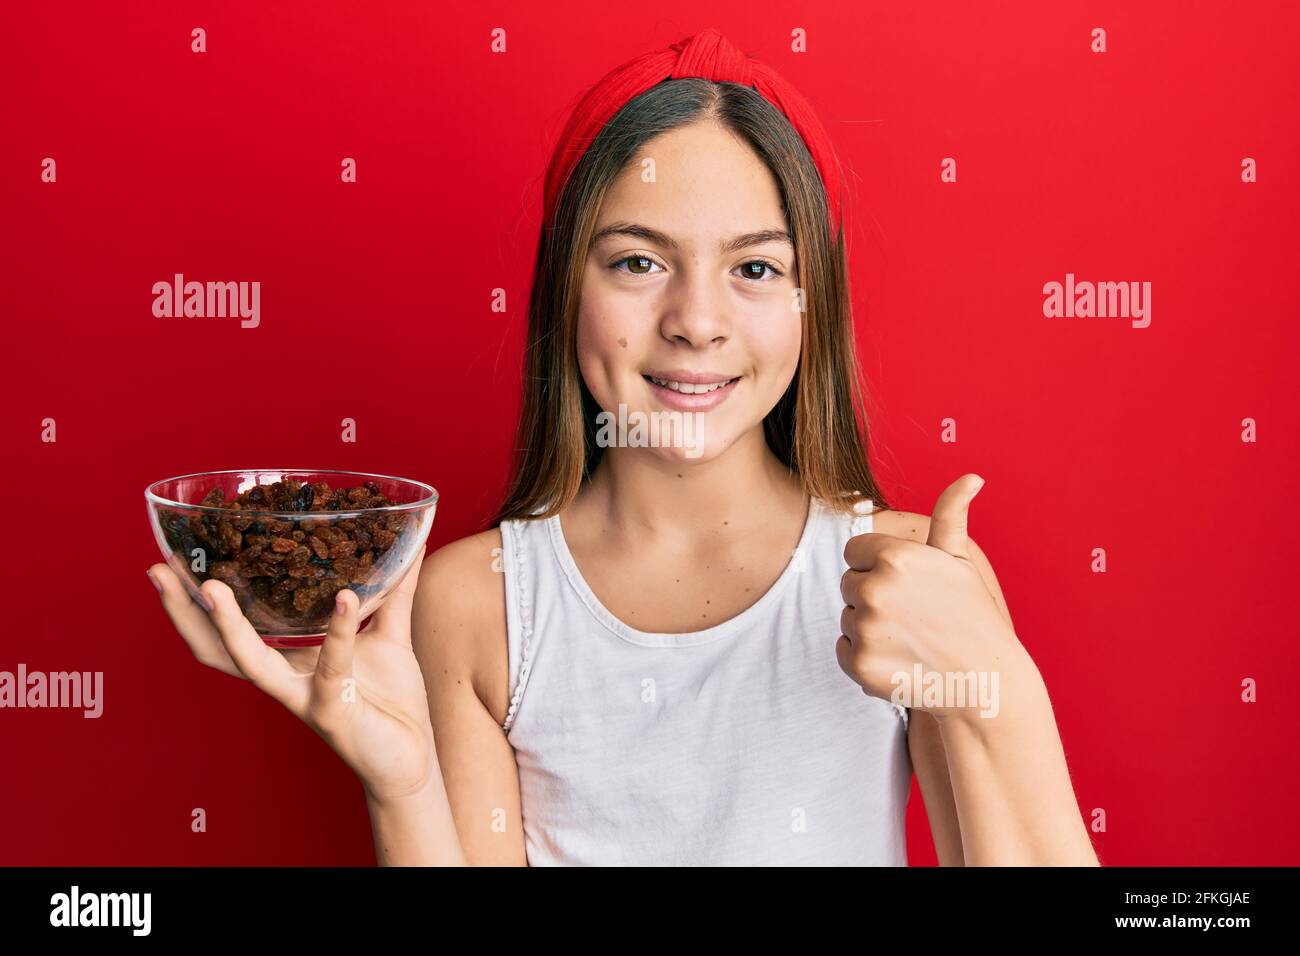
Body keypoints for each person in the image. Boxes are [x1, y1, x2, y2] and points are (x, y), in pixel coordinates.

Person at [146, 28, 1098, 867]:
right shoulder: (473, 604)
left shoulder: (906, 579)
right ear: (568, 287)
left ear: (815, 309)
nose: (695, 321)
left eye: (756, 268)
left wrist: (998, 690)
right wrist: (401, 784)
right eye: (639, 262)